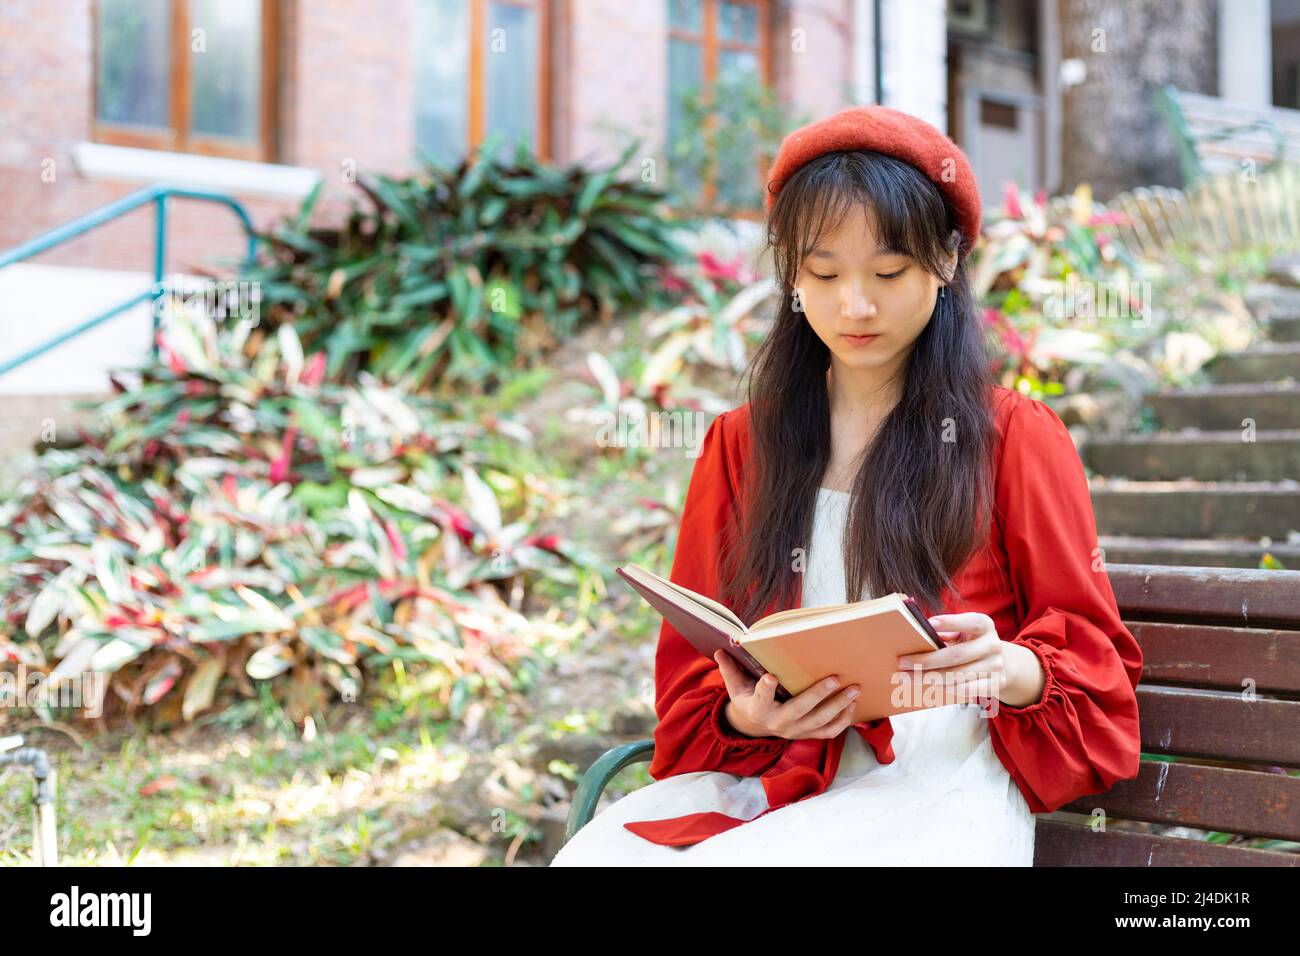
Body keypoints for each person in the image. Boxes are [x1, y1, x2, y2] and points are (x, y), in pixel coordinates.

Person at [550, 105, 1143, 867]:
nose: (854, 305)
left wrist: (1010, 667)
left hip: (935, 786)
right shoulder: (742, 444)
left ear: (947, 261)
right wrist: (750, 715)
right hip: (778, 776)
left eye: (889, 273)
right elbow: (692, 692)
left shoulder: (1012, 438)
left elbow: (1096, 677)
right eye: (824, 273)